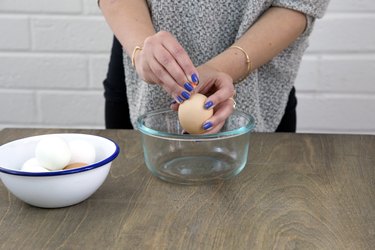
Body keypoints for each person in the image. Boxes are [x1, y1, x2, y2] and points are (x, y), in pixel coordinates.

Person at [99, 0, 329, 133]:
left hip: (258, 84)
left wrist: (224, 68)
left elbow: (299, 4)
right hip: (140, 79)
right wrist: (142, 52)